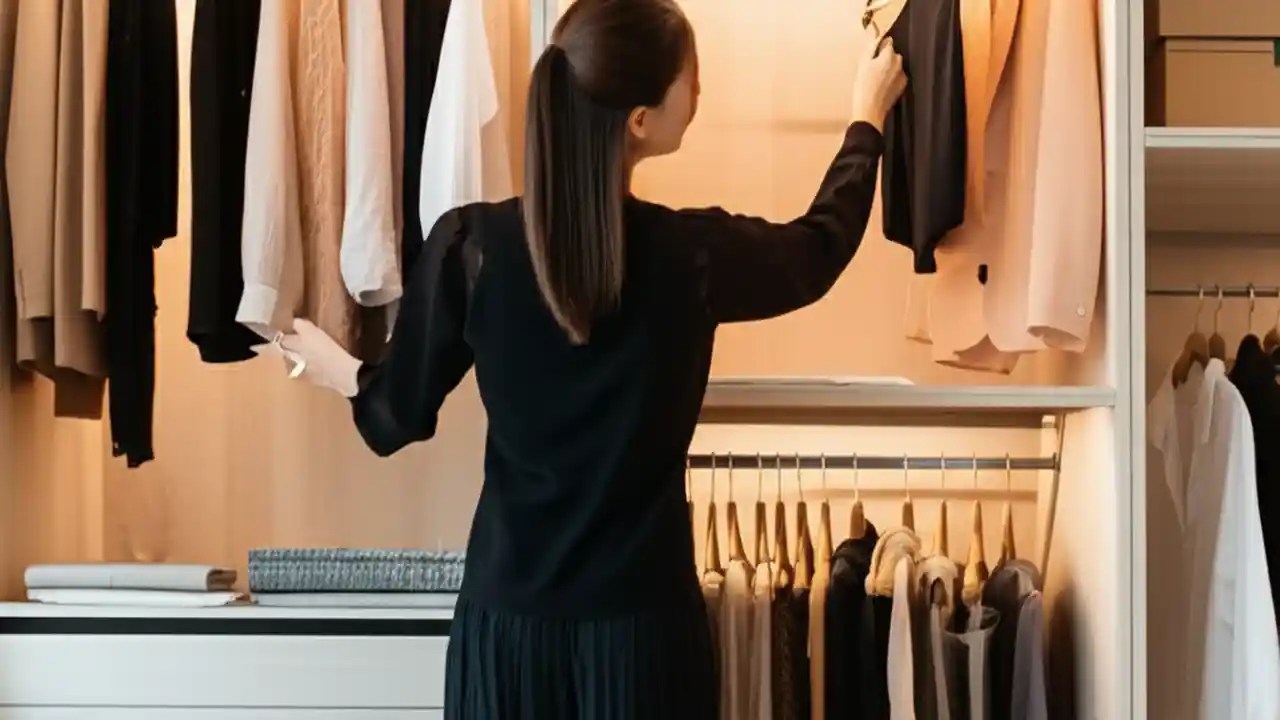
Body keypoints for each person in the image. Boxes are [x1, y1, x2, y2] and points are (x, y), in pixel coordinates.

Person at [270, 0, 905, 717]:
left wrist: (344, 371)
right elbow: (818, 249)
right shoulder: (691, 257)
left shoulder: (472, 250)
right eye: (692, 80)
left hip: (507, 632)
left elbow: (393, 419)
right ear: (639, 120)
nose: (701, 93)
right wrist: (866, 122)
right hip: (643, 636)